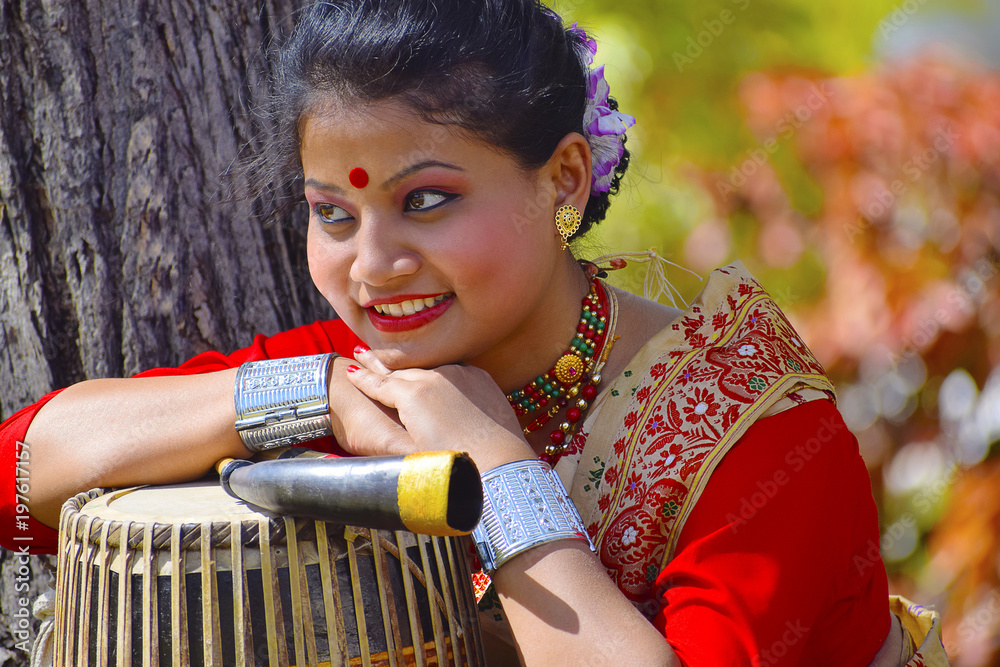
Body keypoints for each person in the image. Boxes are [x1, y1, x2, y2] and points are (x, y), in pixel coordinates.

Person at [0, 1, 949, 664]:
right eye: (333, 214)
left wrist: (493, 465)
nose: (373, 265)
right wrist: (315, 395)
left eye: (427, 200)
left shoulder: (751, 429)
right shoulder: (384, 377)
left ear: (564, 180)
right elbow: (20, 471)